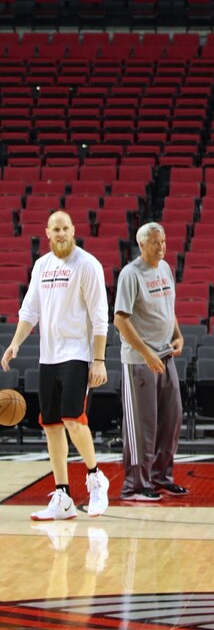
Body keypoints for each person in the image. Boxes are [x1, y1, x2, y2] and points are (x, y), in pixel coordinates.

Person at [0, 210, 110, 520]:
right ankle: (62, 496)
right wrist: (15, 343)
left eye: (65, 228)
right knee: (51, 426)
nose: (61, 233)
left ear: (73, 230)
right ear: (47, 233)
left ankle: (95, 477)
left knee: (73, 419)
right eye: (55, 229)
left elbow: (100, 316)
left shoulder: (87, 265)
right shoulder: (41, 266)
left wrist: (98, 360)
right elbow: (29, 311)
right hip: (47, 357)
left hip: (77, 354)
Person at [113, 221, 188, 501]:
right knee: (142, 426)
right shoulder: (130, 274)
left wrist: (178, 335)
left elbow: (169, 309)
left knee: (171, 420)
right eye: (155, 242)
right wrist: (146, 353)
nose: (162, 247)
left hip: (166, 354)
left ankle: (160, 477)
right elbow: (120, 319)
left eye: (164, 241)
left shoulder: (166, 268)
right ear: (142, 244)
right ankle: (135, 485)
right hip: (140, 360)